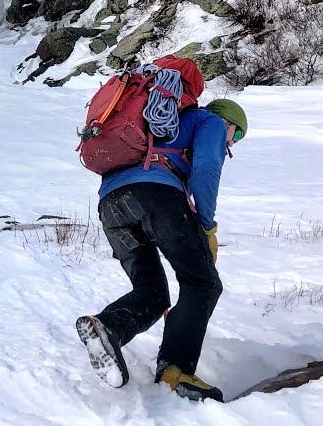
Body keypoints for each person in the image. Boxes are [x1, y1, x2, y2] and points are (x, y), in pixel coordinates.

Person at [76, 96, 249, 402]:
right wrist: (206, 225)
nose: (232, 142)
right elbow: (207, 168)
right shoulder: (208, 121)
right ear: (226, 120)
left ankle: (108, 327)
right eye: (235, 134)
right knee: (203, 283)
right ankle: (176, 372)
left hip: (112, 207)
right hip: (156, 196)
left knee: (152, 291)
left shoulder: (159, 123)